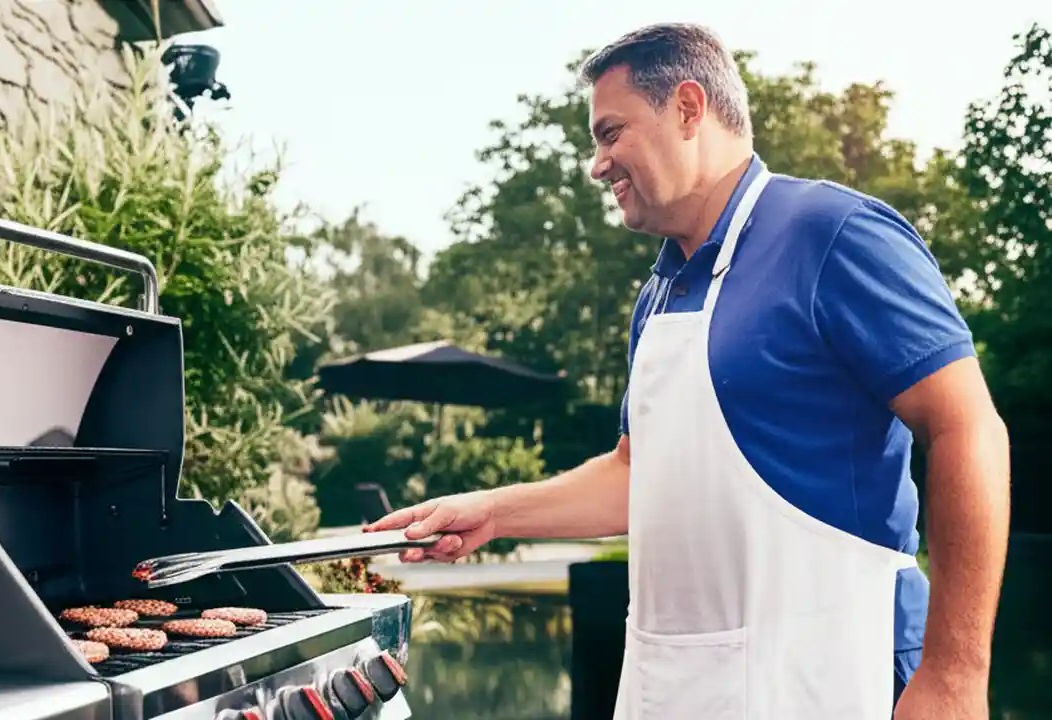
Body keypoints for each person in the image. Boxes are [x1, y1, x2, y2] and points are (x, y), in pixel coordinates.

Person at [363, 22, 1010, 720]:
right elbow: (638, 474)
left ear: (689, 108)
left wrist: (954, 675)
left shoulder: (834, 234)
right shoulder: (658, 293)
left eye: (610, 133)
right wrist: (492, 512)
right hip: (677, 688)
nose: (596, 164)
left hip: (836, 677)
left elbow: (967, 428)